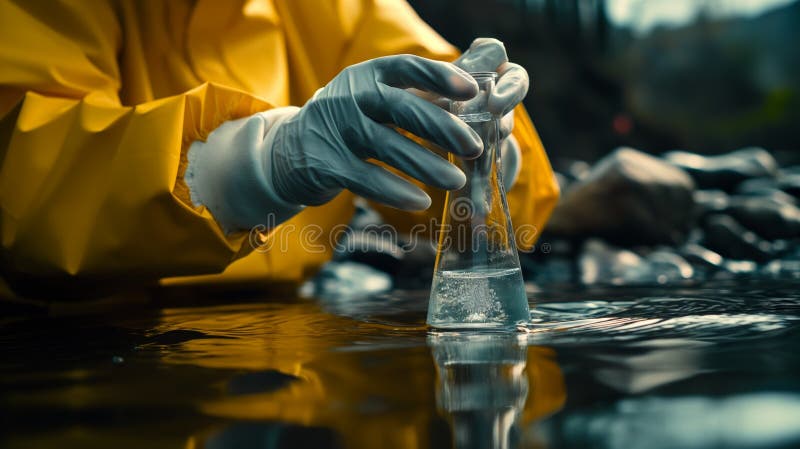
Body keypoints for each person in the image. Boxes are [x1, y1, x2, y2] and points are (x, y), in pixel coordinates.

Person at [0, 0, 558, 299]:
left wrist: (483, 149)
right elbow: (23, 183)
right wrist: (255, 164)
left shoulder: (336, 7)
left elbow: (421, 67)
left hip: (296, 367)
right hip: (68, 358)